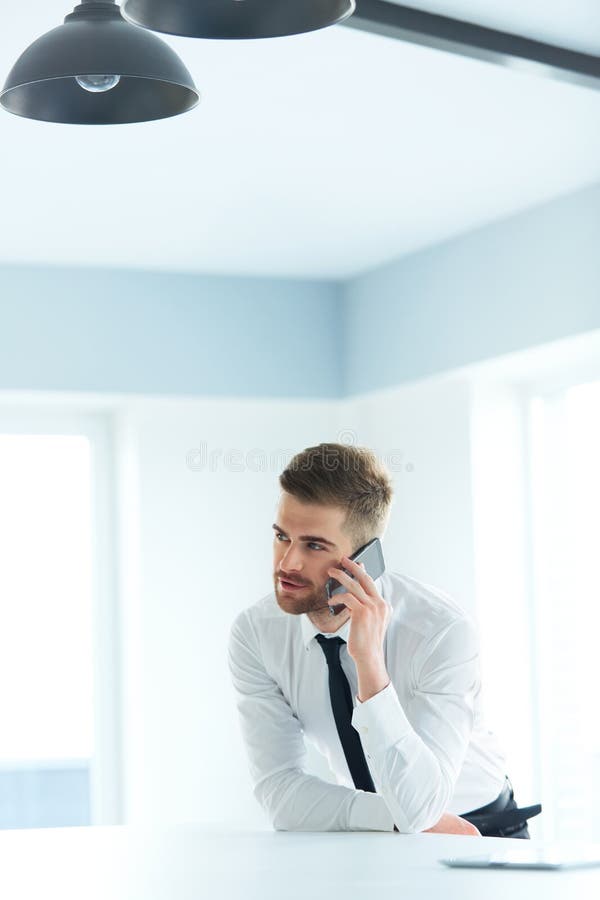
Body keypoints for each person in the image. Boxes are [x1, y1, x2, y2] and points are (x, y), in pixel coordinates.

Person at [227, 443, 541, 836]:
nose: (287, 563)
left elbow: (421, 804)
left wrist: (370, 665)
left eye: (314, 545)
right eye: (281, 536)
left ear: (363, 558)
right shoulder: (256, 633)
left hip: (479, 832)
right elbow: (279, 789)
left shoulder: (440, 631)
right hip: (363, 827)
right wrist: (387, 820)